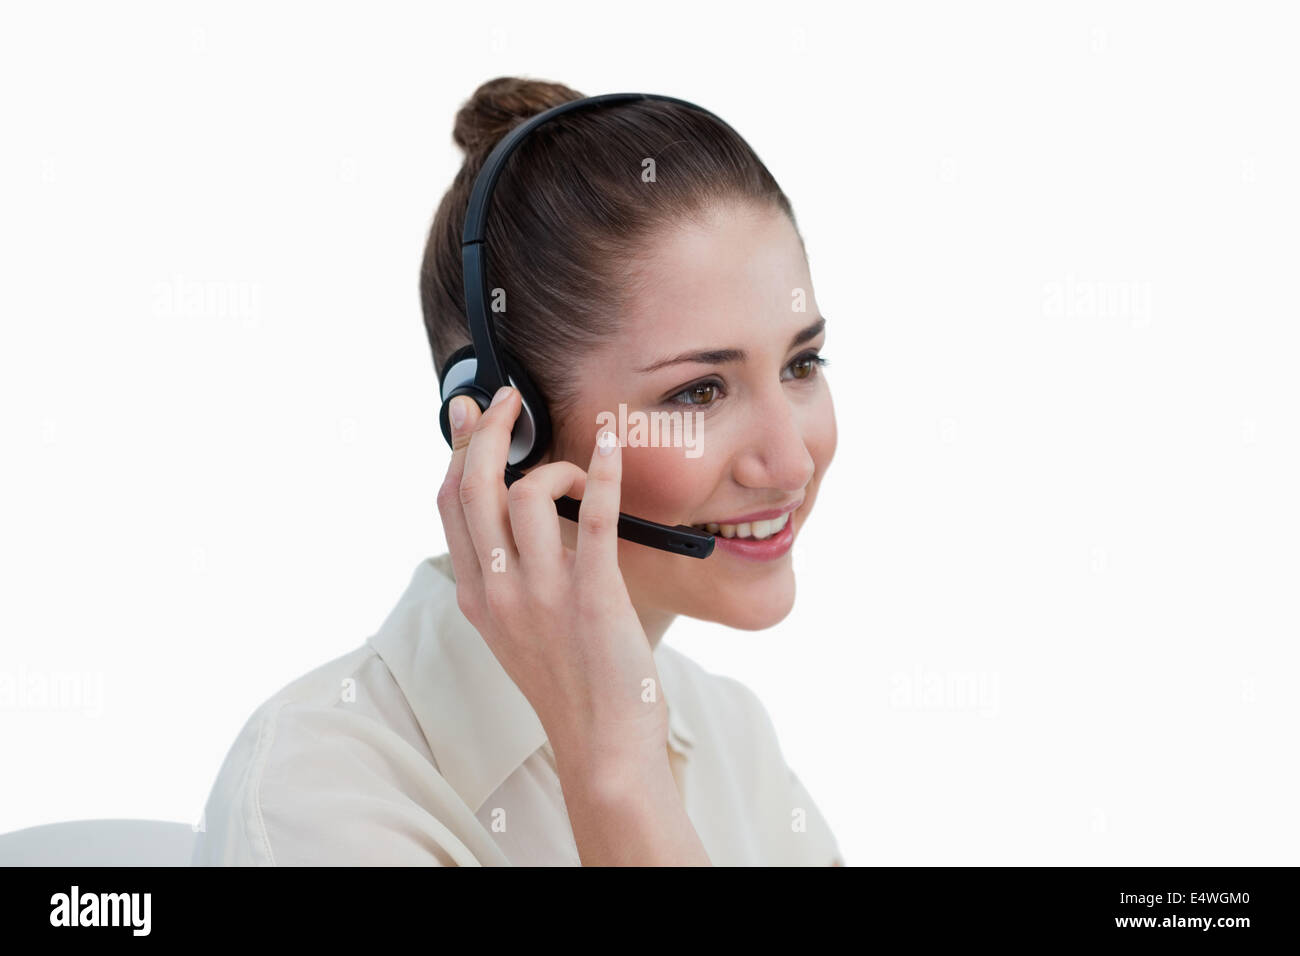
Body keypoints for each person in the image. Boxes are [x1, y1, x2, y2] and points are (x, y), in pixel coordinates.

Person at [193, 76, 842, 866]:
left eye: (802, 363)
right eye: (699, 392)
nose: (792, 459)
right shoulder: (319, 798)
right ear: (512, 430)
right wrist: (616, 778)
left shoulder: (735, 743)